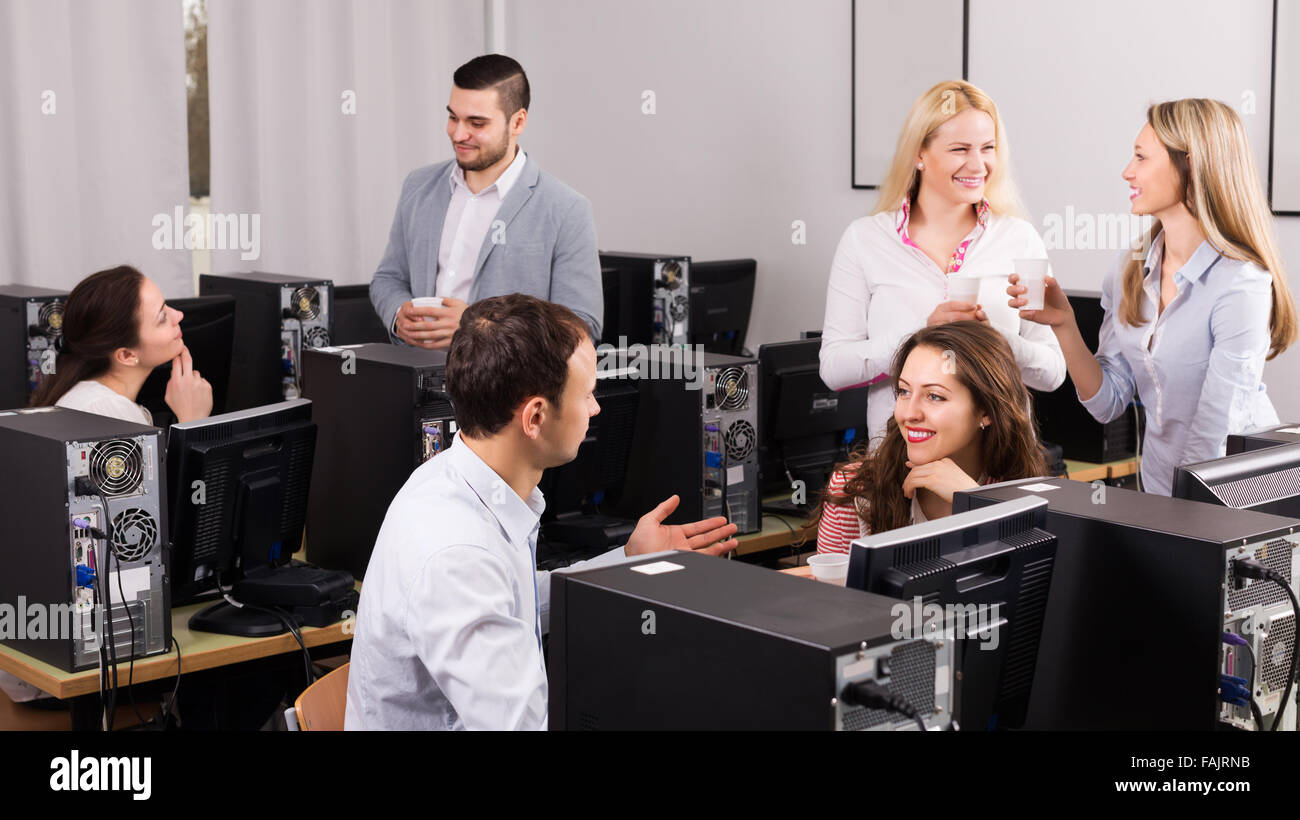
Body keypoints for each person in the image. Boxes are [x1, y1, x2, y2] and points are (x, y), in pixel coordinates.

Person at [345, 294, 739, 730]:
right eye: (587, 393)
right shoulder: (457, 554)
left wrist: (630, 560)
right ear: (534, 417)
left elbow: (513, 598)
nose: (596, 408)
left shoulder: (453, 478)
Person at [1010, 99, 1296, 496]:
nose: (1128, 172)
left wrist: (1173, 518)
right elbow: (1107, 402)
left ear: (1190, 164)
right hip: (1166, 491)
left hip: (1235, 493)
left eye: (1142, 157)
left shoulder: (1240, 284)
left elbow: (1217, 429)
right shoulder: (1130, 268)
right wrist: (1065, 325)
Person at [820, 80, 1065, 445]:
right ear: (920, 153)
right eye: (960, 149)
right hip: (899, 462)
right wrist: (922, 333)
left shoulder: (1020, 239)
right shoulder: (865, 240)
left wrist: (998, 343)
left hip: (999, 460)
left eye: (988, 148)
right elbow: (835, 369)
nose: (978, 164)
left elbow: (1052, 372)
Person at [370, 54, 603, 349]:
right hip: (415, 380)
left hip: (507, 390)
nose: (457, 133)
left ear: (517, 122)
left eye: (476, 123)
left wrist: (476, 325)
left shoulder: (566, 209)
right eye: (453, 117)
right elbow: (388, 278)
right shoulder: (419, 185)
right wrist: (397, 316)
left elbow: (581, 327)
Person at [815, 321, 1045, 554]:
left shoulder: (1021, 494)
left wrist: (975, 504)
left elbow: (1025, 586)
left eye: (934, 396)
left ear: (985, 411)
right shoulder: (854, 490)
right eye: (904, 392)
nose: (909, 414)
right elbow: (828, 590)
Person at [30, 265, 212, 424]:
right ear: (127, 355)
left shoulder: (103, 404)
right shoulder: (106, 412)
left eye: (166, 306)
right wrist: (192, 419)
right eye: (162, 317)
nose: (178, 315)